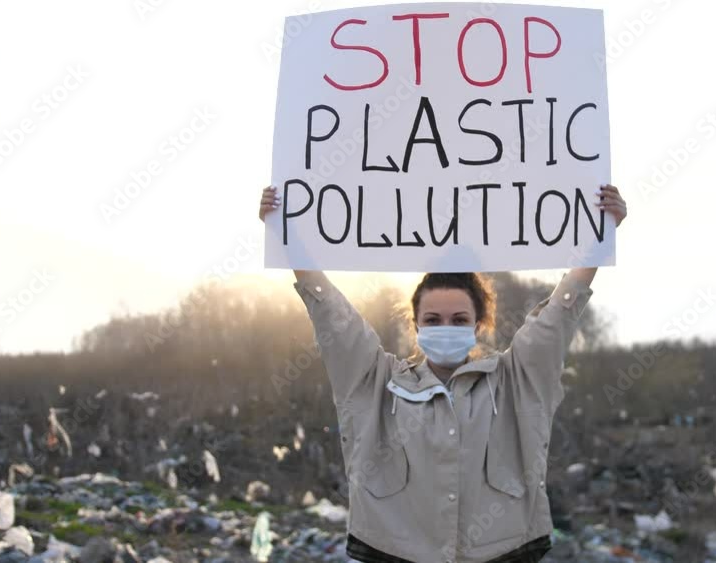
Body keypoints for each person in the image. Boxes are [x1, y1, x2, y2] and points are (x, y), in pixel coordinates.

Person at [259, 184, 628, 563]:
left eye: (459, 319)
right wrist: (287, 235)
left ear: (478, 324)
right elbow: (332, 316)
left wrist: (601, 232)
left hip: (503, 552)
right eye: (433, 319)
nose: (445, 327)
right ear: (416, 325)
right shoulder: (377, 382)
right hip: (393, 553)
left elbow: (559, 314)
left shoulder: (515, 380)